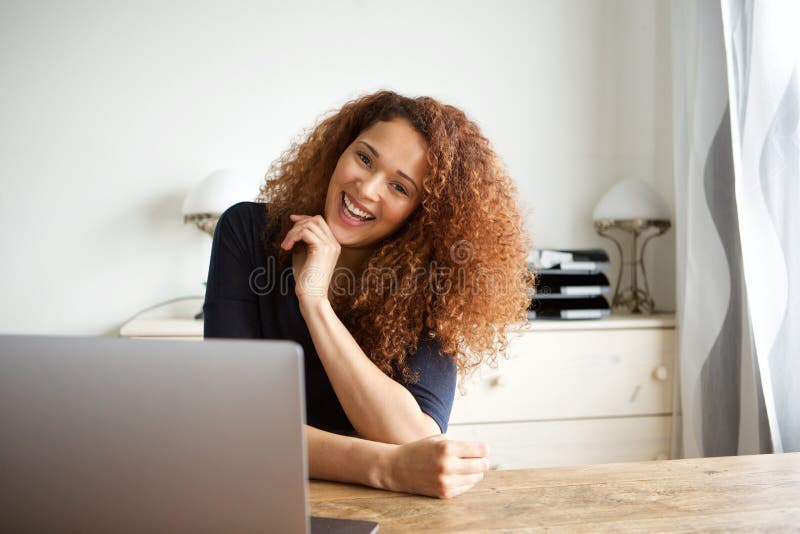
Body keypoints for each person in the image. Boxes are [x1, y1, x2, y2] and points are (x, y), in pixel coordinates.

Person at [203, 90, 533, 499]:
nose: (367, 188)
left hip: (382, 511)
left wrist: (316, 305)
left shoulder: (434, 279)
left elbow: (415, 437)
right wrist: (385, 467)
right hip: (258, 493)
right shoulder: (248, 232)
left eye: (399, 186)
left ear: (422, 213)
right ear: (339, 151)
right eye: (364, 158)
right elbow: (235, 423)